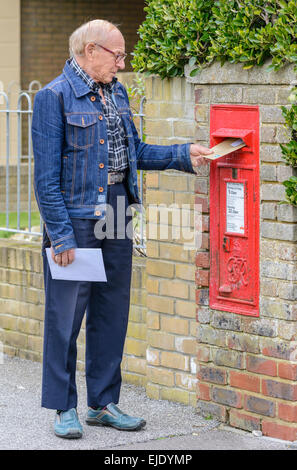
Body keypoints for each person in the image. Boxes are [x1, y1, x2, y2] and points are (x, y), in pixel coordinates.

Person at [32, 19, 213, 439]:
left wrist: (185, 154)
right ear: (90, 50)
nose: (122, 62)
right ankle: (63, 407)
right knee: (66, 316)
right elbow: (45, 178)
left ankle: (102, 403)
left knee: (111, 311)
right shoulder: (53, 97)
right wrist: (59, 234)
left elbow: (135, 152)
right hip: (76, 217)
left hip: (117, 209)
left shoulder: (116, 92)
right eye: (117, 55)